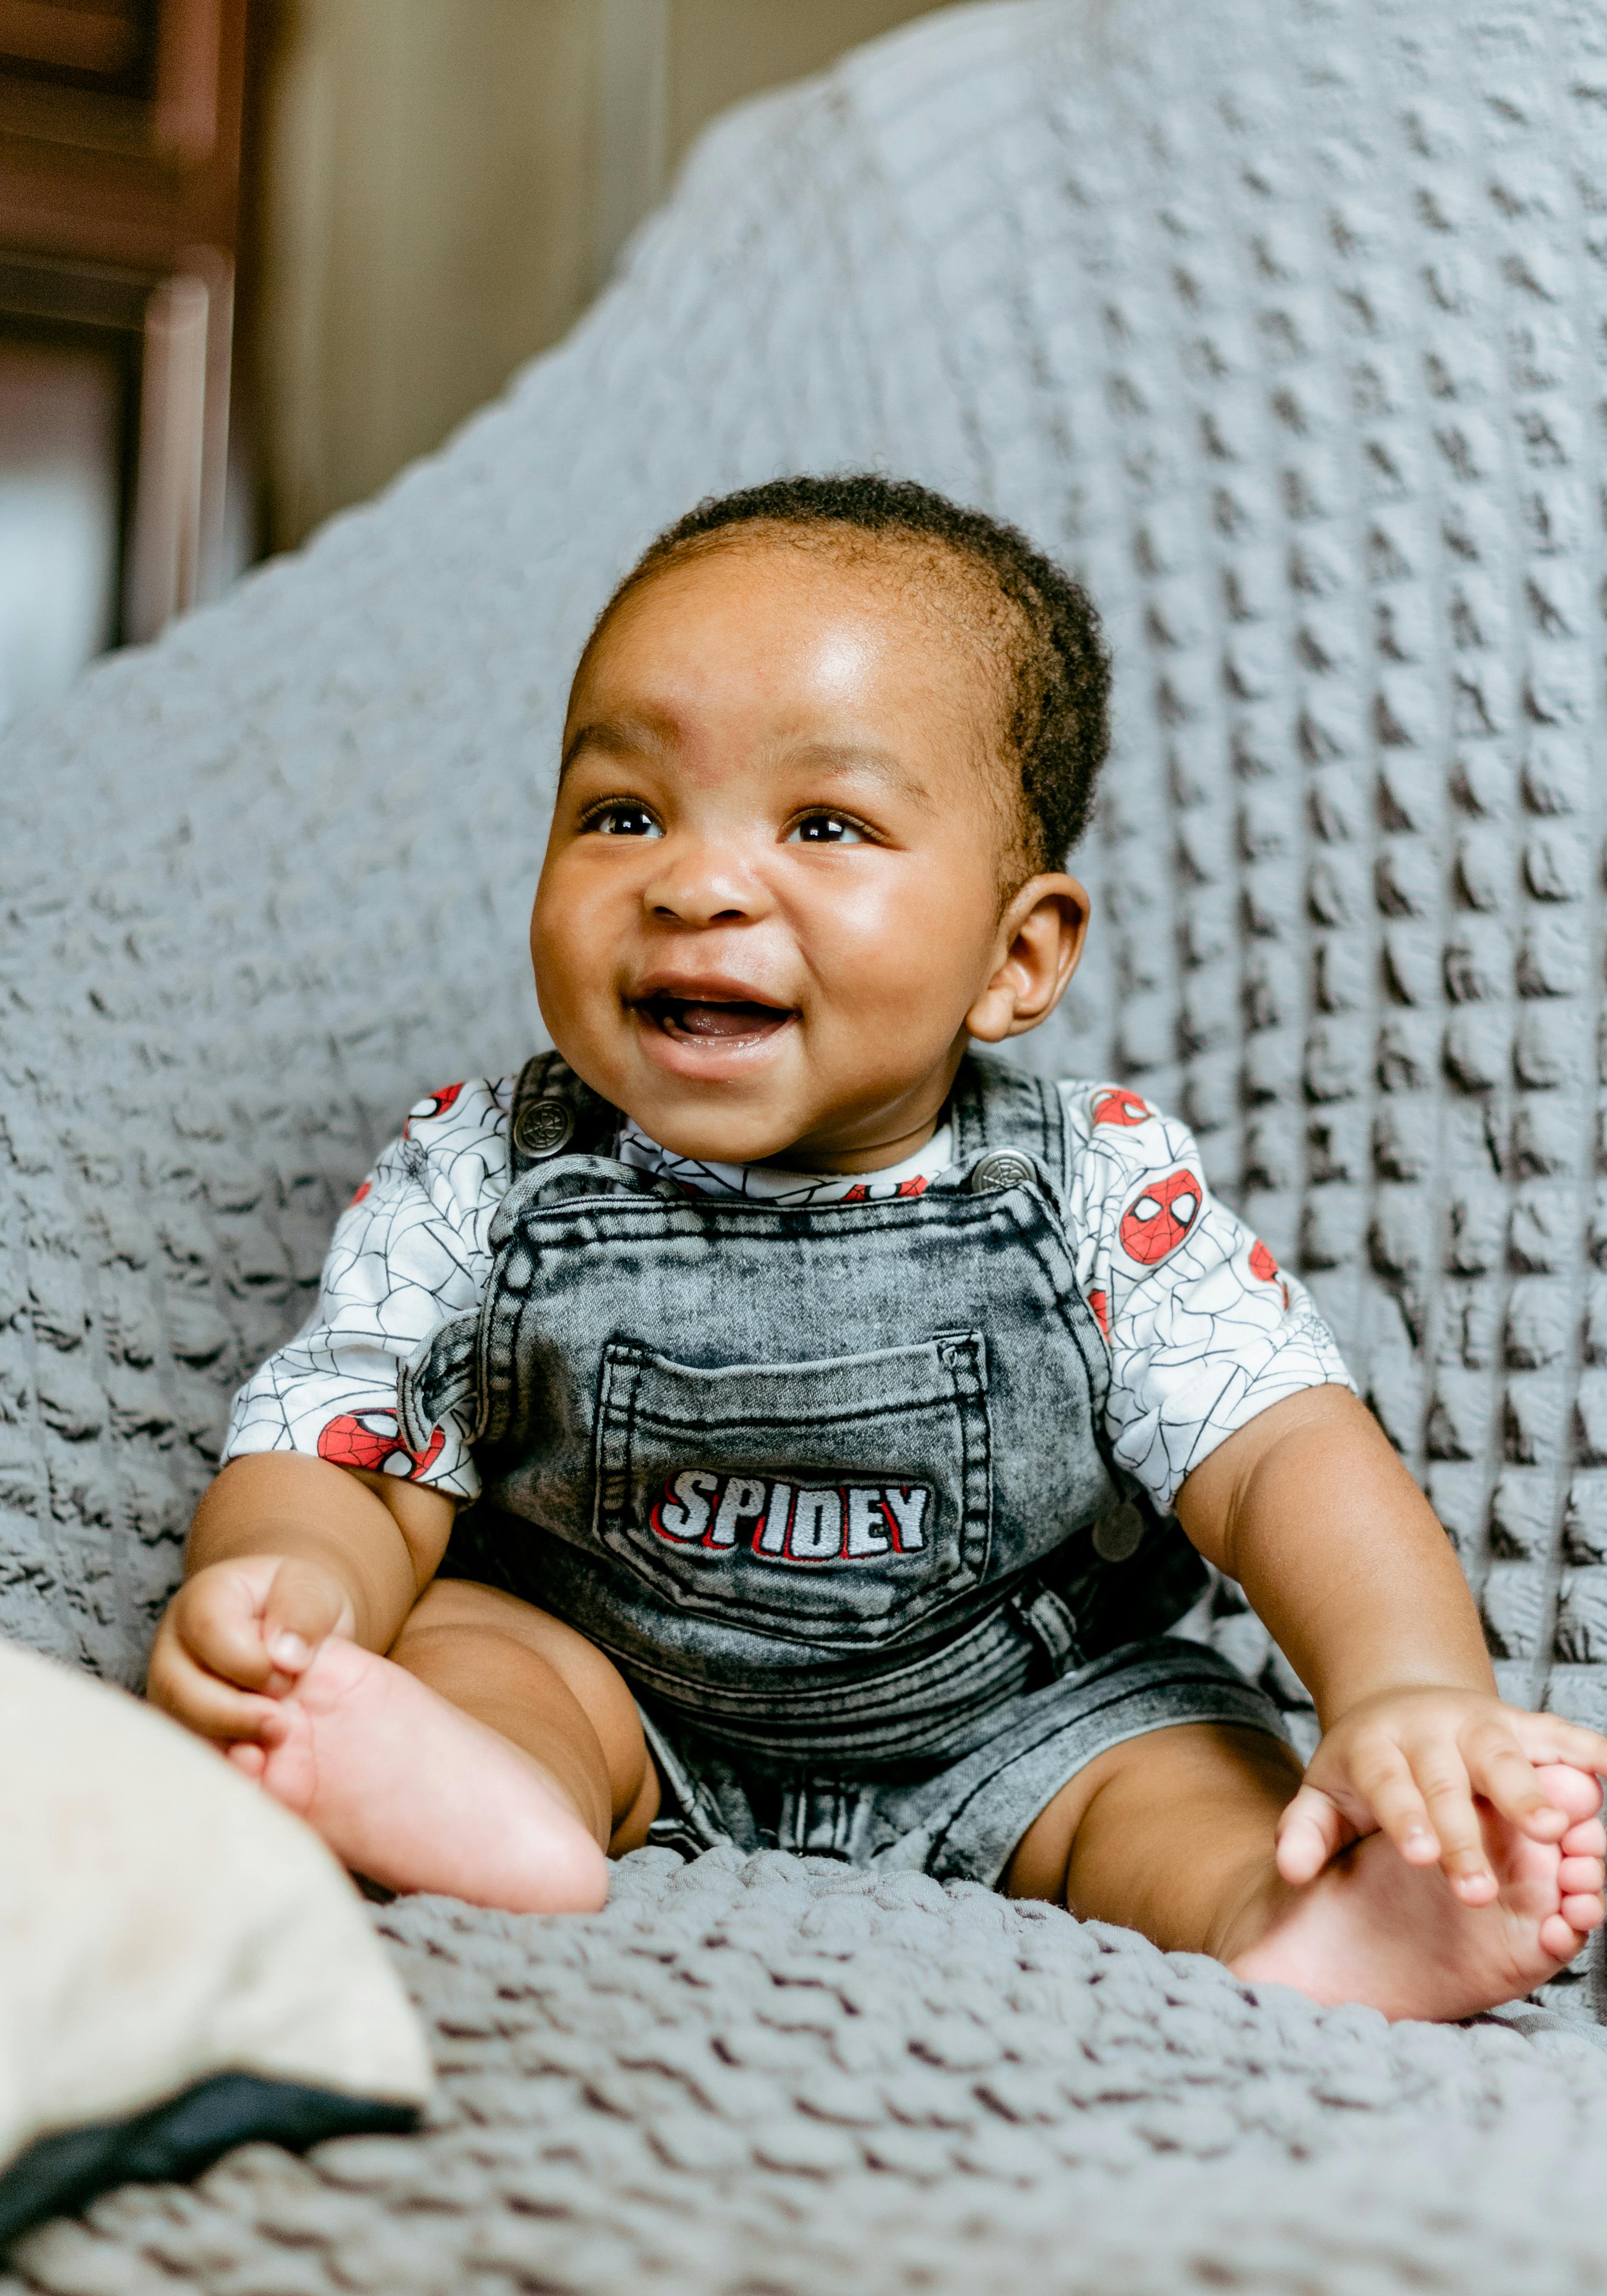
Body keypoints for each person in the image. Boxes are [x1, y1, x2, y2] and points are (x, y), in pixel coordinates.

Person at [148, 475, 1607, 2023]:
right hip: (613, 1677)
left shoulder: (1095, 1186)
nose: (695, 883)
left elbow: (1282, 1455)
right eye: (622, 813)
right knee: (467, 1648)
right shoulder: (480, 1169)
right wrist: (282, 1597)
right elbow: (359, 1444)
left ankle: (1294, 1918)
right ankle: (479, 1796)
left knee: (1183, 1770)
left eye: (824, 823)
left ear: (1016, 954)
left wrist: (1406, 1691)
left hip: (1028, 1711)